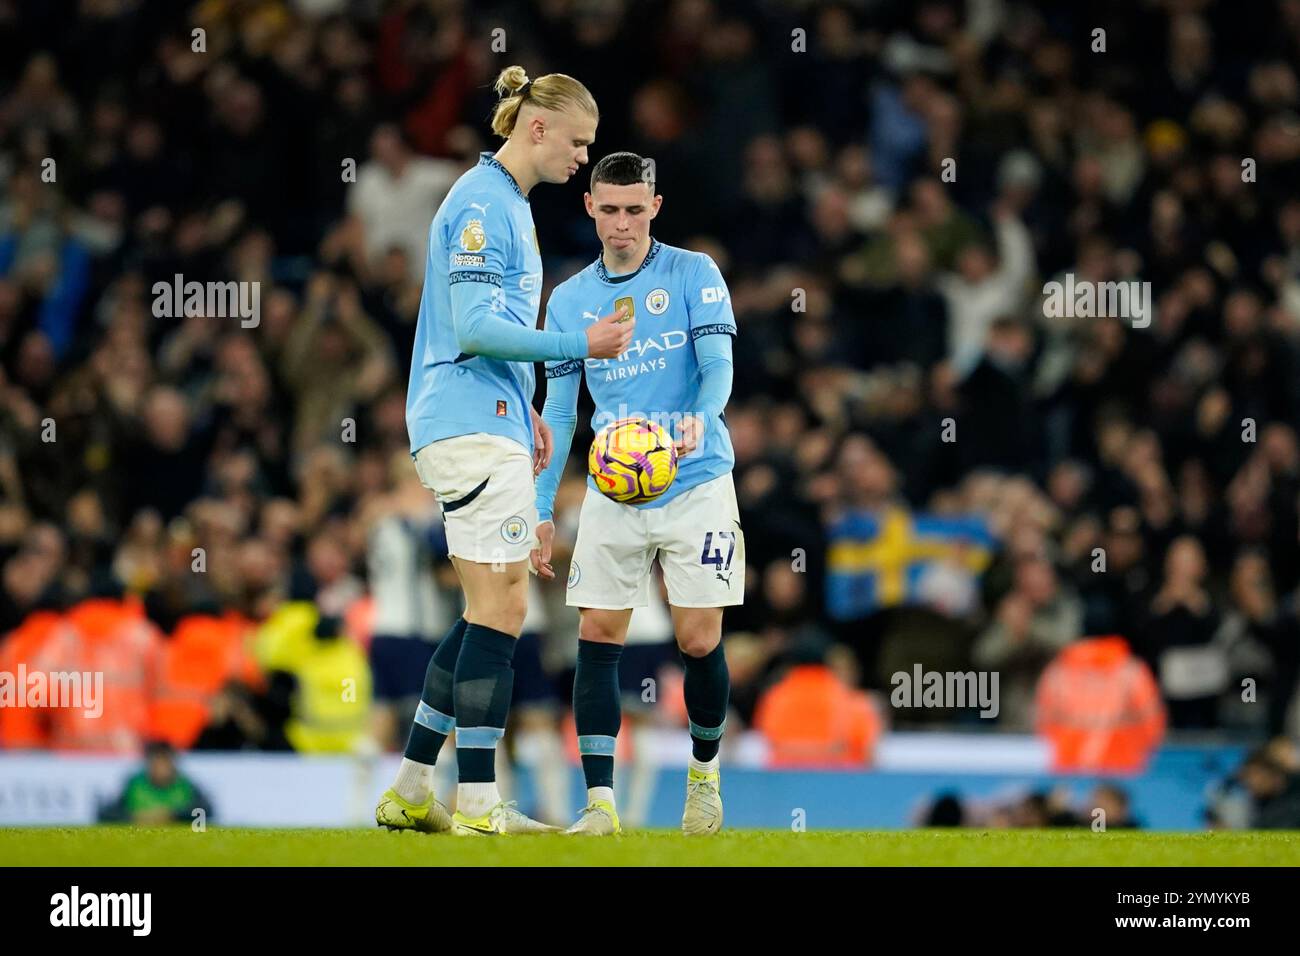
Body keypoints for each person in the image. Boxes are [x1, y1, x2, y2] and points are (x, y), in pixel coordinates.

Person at [376, 65, 634, 836]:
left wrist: (525, 406)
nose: (583, 158)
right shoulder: (485, 204)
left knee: (484, 612)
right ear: (539, 127)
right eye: (579, 143)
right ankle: (480, 802)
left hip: (485, 417)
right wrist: (575, 344)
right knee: (506, 607)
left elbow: (485, 332)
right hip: (463, 421)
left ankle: (415, 788)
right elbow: (475, 327)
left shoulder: (506, 205)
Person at [534, 151, 743, 835]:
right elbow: (561, 414)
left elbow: (717, 367)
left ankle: (705, 779)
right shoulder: (568, 300)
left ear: (655, 207)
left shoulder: (693, 273)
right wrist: (540, 510)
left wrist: (698, 420)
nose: (622, 223)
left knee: (698, 636)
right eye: (610, 209)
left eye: (634, 209)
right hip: (614, 487)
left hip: (697, 479)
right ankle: (599, 805)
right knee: (597, 632)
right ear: (590, 208)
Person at [97, 740, 212, 825]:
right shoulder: (135, 785)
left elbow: (206, 810)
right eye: (157, 763)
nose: (161, 768)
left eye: (164, 762)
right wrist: (135, 816)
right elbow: (107, 813)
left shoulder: (184, 785)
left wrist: (172, 815)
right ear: (149, 764)